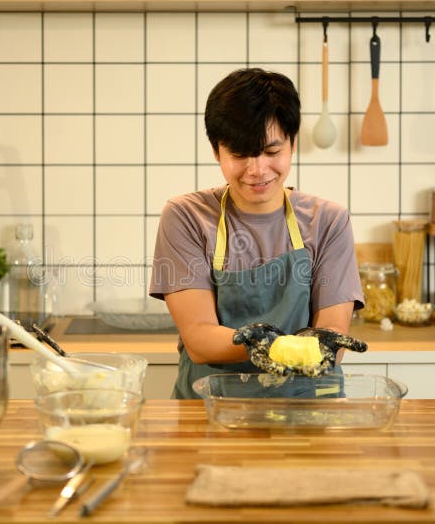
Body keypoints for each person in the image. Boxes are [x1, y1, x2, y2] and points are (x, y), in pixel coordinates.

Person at [149, 68, 364, 399]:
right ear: (215, 150)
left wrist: (284, 346)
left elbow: (332, 336)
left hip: (308, 411)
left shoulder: (328, 222)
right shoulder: (186, 217)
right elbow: (199, 340)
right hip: (210, 412)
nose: (257, 169)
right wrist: (267, 345)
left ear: (293, 144)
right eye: (240, 153)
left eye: (271, 152)